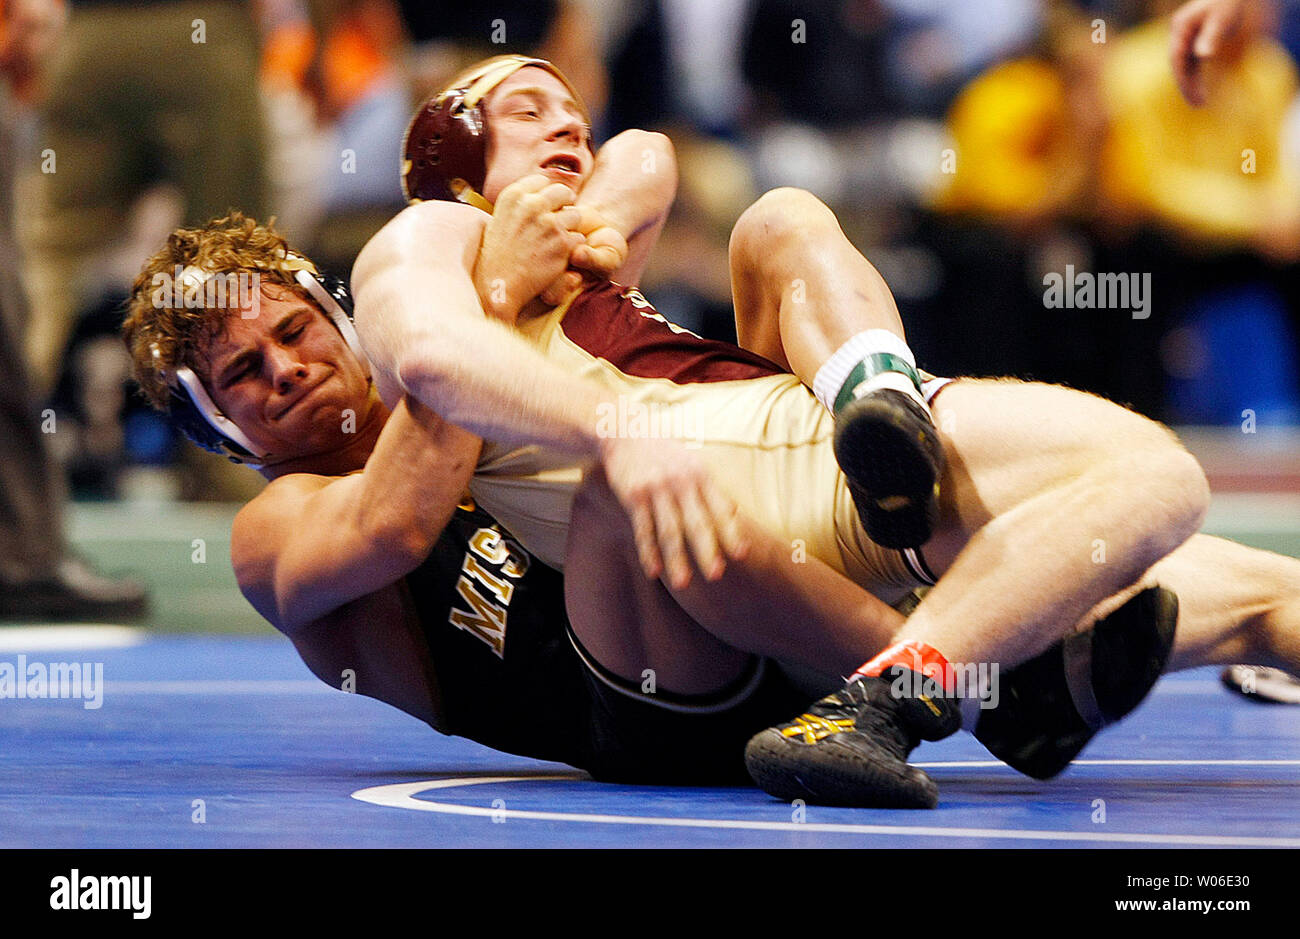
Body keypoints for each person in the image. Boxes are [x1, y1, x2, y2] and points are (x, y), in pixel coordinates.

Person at [120, 212, 1181, 785]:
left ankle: (985, 659)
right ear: (222, 431)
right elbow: (398, 519)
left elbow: (630, 174)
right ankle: (996, 690)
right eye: (243, 377)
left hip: (758, 623)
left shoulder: (436, 371)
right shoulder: (272, 530)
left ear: (333, 319)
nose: (284, 371)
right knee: (617, 480)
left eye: (290, 333)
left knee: (1187, 557)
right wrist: (482, 304)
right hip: (638, 714)